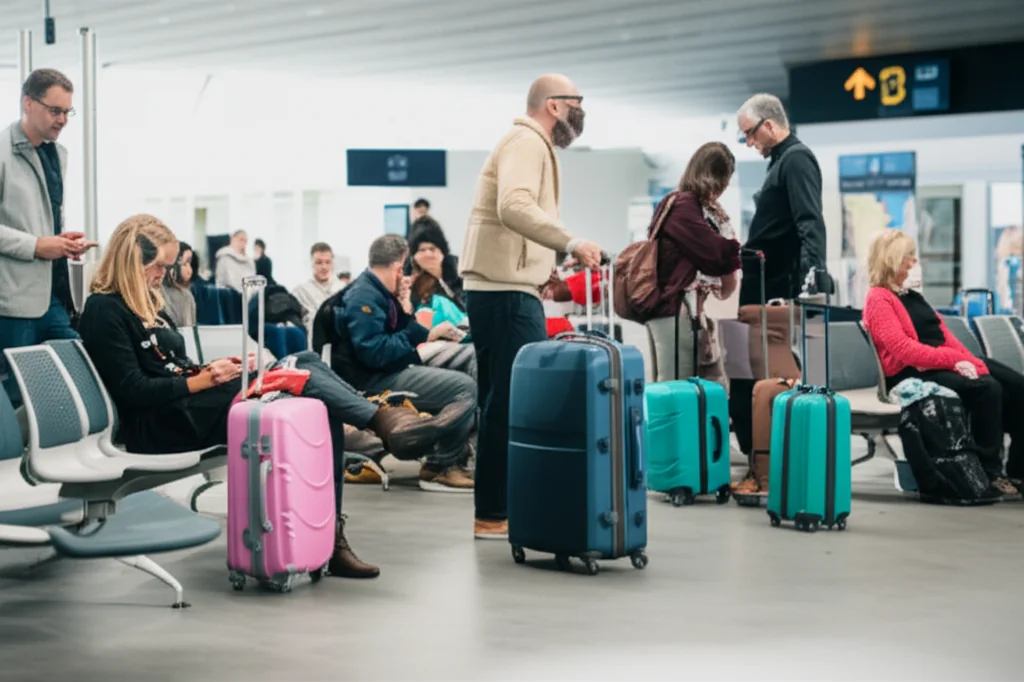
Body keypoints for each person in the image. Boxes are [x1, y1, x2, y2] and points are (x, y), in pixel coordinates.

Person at [78, 214, 475, 577]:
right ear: (133, 261)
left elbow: (173, 366)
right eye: (159, 266)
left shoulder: (148, 306)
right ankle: (380, 421)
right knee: (301, 377)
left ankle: (341, 510)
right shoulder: (104, 310)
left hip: (191, 405)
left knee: (304, 368)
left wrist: (215, 371)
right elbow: (133, 391)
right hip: (163, 424)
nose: (164, 275)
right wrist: (202, 381)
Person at [459, 73, 604, 539]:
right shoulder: (526, 141)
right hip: (504, 293)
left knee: (501, 400)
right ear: (555, 106)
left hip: (506, 288)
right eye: (577, 103)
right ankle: (495, 512)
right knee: (510, 402)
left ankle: (495, 510)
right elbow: (514, 207)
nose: (581, 112)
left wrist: (544, 265)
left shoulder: (530, 143)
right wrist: (572, 241)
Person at [862, 230, 1024, 497]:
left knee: (1017, 386)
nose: (915, 263)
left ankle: (1018, 470)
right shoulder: (879, 299)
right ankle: (989, 471)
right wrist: (956, 362)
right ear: (892, 261)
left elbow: (944, 337)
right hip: (911, 372)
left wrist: (970, 362)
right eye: (908, 258)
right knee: (987, 388)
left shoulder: (912, 296)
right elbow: (905, 350)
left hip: (941, 363)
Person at [323, 234, 477, 493]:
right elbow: (375, 352)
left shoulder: (376, 292)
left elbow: (397, 339)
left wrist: (404, 308)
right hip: (373, 380)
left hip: (386, 370)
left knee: (464, 369)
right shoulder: (364, 297)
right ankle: (441, 467)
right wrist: (411, 330)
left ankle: (457, 455)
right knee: (465, 387)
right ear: (398, 267)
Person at [731, 93, 829, 466]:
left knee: (762, 366)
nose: (749, 143)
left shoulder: (797, 159)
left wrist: (813, 277)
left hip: (773, 283)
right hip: (759, 277)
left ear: (769, 125)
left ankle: (767, 449)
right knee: (748, 364)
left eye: (750, 135)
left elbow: (810, 222)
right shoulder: (779, 162)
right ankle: (756, 445)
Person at [0, 68, 98, 405]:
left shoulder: (57, 155)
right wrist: (39, 245)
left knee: (78, 369)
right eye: (54, 110)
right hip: (13, 302)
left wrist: (60, 241)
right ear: (28, 103)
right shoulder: (2, 152)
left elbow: (35, 217)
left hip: (54, 295)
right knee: (15, 396)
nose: (62, 120)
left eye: (67, 112)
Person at [642, 142, 742, 383]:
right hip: (674, 309)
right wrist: (735, 249)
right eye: (724, 181)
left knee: (677, 383)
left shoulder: (685, 205)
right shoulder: (683, 206)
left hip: (677, 309)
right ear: (715, 178)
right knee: (676, 385)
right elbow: (714, 253)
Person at [292, 242, 344, 338]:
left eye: (327, 262)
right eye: (319, 262)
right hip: (312, 341)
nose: (324, 267)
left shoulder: (342, 289)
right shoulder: (300, 291)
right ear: (312, 263)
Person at [161, 240, 197, 328]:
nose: (190, 269)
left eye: (190, 263)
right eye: (185, 263)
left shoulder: (186, 294)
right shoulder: (185, 296)